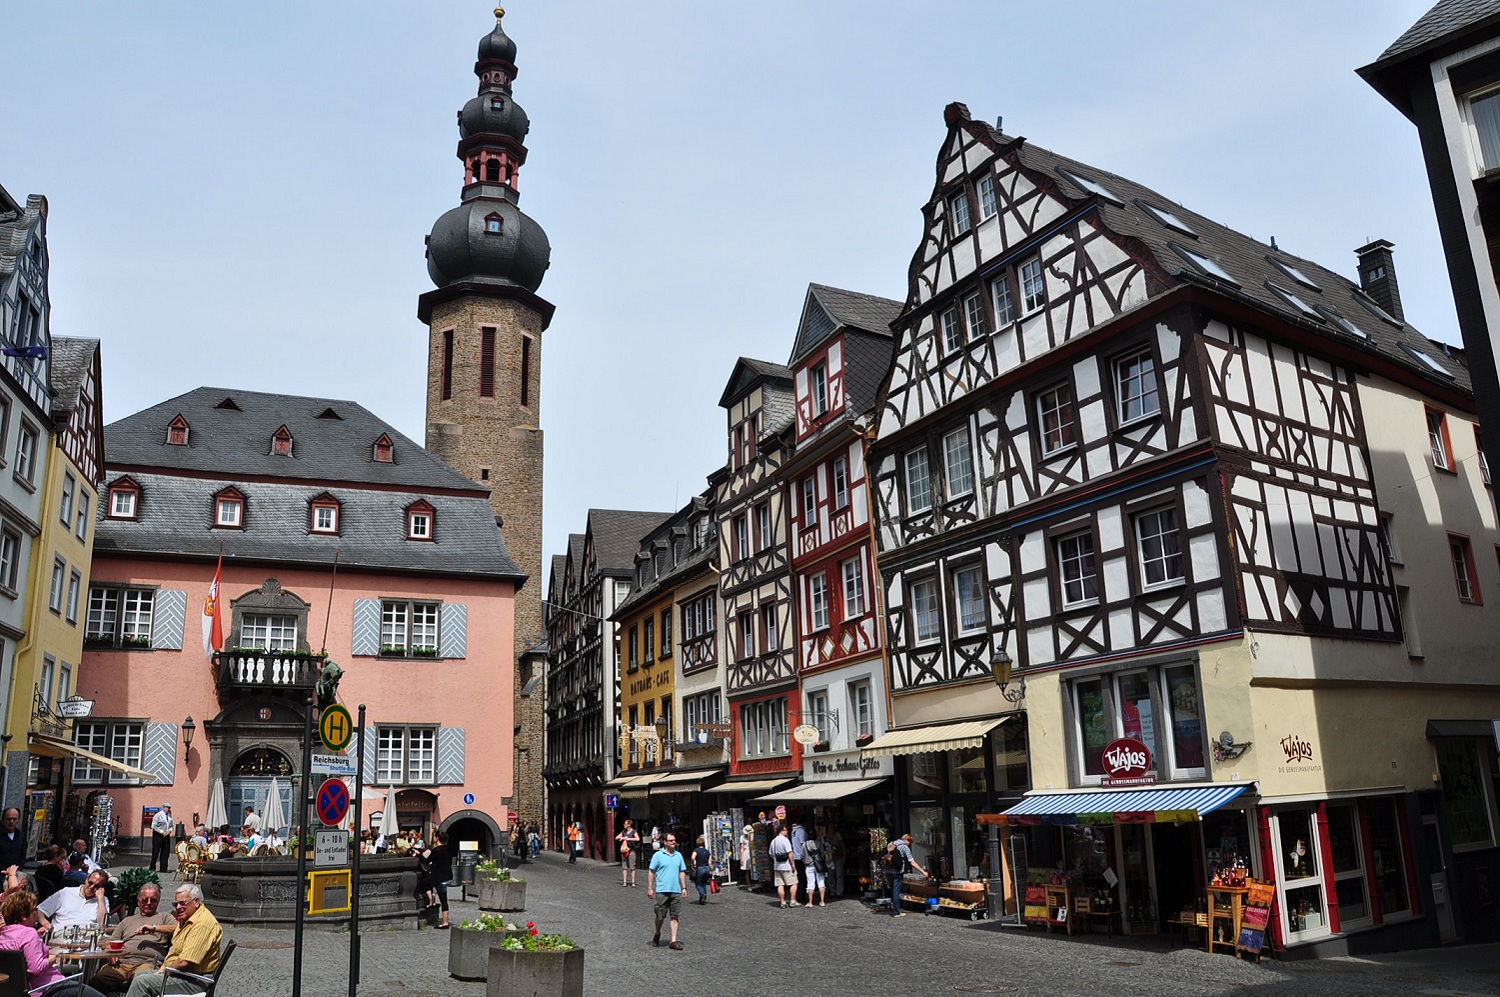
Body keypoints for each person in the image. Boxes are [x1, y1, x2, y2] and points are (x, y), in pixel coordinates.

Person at [0, 890, 110, 997]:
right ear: (23, 916)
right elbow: (36, 968)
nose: (37, 913)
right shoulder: (29, 933)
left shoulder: (4, 934)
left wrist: (37, 939)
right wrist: (53, 958)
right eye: (34, 910)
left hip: (17, 990)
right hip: (47, 987)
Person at [124, 884, 222, 997]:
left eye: (182, 903)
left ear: (196, 902)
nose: (178, 907)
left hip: (194, 980)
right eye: (176, 904)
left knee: (141, 983)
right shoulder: (189, 917)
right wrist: (154, 928)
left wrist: (163, 972)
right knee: (140, 974)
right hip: (181, 974)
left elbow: (184, 961)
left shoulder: (201, 925)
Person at [89, 883, 177, 993]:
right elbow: (110, 942)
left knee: (140, 981)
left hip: (147, 964)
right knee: (97, 981)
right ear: (138, 902)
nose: (149, 903)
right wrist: (110, 952)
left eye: (153, 900)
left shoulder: (165, 918)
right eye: (145, 900)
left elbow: (179, 928)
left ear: (158, 901)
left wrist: (154, 928)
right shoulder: (127, 921)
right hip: (121, 964)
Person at [646, 832, 688, 950]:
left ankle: (673, 941)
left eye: (674, 840)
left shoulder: (679, 855)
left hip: (675, 890)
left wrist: (684, 887)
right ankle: (657, 933)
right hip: (662, 890)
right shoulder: (658, 855)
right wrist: (650, 888)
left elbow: (682, 871)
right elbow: (651, 872)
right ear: (665, 842)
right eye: (671, 840)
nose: (674, 842)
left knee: (675, 916)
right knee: (660, 916)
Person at [37, 869, 109, 931]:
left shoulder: (103, 901)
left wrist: (100, 900)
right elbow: (39, 910)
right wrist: (46, 924)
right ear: (86, 880)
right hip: (63, 933)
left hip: (89, 935)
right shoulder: (66, 893)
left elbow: (103, 924)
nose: (91, 887)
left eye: (97, 886)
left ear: (102, 888)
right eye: (90, 883)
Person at [887, 833, 932, 918]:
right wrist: (923, 872)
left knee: (892, 890)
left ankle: (894, 908)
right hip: (898, 871)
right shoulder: (904, 847)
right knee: (896, 891)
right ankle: (897, 912)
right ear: (908, 840)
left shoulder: (891, 843)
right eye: (910, 842)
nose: (909, 844)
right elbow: (912, 862)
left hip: (888, 870)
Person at [423, 829, 453, 929]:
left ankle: (445, 922)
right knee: (443, 898)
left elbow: (427, 861)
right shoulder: (446, 849)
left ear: (437, 838)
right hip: (447, 876)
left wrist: (417, 854)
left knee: (442, 898)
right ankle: (433, 902)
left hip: (440, 877)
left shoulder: (437, 850)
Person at [769, 825, 798, 908]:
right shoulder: (785, 840)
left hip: (777, 866)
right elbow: (790, 853)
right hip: (786, 865)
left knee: (780, 884)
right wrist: (793, 864)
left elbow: (771, 853)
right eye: (785, 830)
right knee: (793, 883)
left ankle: (782, 902)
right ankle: (792, 901)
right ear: (781, 831)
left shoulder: (773, 841)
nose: (787, 831)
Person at [802, 835, 831, 908]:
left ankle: (810, 902)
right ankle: (822, 901)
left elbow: (802, 856)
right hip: (819, 866)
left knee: (810, 884)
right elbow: (823, 855)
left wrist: (806, 862)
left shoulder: (804, 845)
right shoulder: (819, 844)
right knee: (821, 882)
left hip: (809, 865)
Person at [616, 820, 641, 888]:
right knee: (624, 866)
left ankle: (633, 882)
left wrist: (628, 839)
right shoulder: (624, 831)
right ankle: (625, 882)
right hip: (624, 851)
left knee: (632, 867)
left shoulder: (634, 831)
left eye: (625, 824)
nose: (624, 825)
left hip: (631, 850)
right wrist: (623, 837)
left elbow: (637, 839)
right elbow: (616, 837)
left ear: (629, 824)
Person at [150, 804, 173, 874]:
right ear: (163, 808)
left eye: (169, 808)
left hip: (166, 835)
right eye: (167, 808)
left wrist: (169, 830)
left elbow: (172, 825)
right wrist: (161, 831)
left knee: (166, 851)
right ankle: (152, 867)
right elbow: (153, 826)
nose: (168, 809)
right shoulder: (158, 815)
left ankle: (163, 868)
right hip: (158, 835)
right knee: (156, 852)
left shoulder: (169, 816)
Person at [789, 821, 808, 907]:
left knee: (799, 878)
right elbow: (802, 844)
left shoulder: (794, 831)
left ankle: (799, 895)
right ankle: (801, 896)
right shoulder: (801, 831)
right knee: (802, 878)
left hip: (795, 856)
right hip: (800, 857)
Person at [690, 836, 712, 905]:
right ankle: (703, 897)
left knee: (698, 883)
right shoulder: (707, 851)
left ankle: (702, 894)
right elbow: (710, 862)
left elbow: (692, 858)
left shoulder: (696, 850)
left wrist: (693, 864)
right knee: (704, 883)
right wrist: (712, 870)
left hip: (700, 868)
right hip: (707, 868)